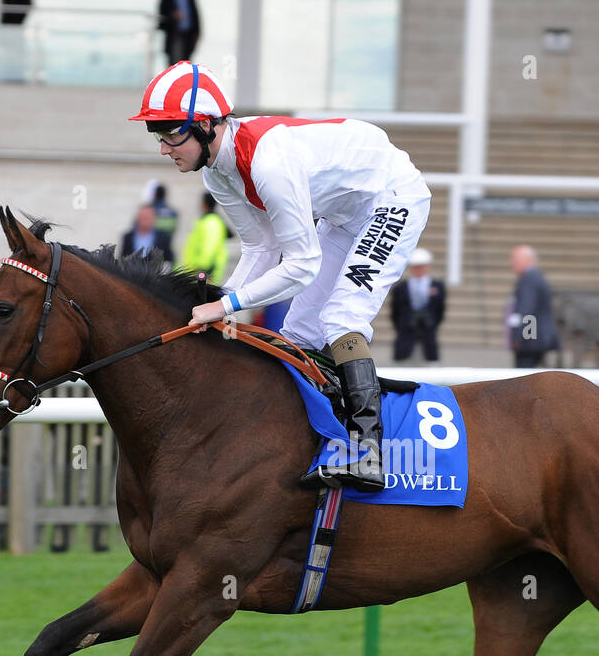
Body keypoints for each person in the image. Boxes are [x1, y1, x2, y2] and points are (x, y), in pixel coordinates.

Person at [130, 61, 432, 493]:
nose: (163, 147)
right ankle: (318, 440)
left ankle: (369, 454)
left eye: (171, 131)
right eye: (156, 133)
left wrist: (225, 306)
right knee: (298, 331)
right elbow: (261, 248)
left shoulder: (268, 164)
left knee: (341, 316)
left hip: (392, 198)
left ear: (206, 125)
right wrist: (222, 304)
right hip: (343, 215)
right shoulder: (218, 173)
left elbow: (301, 265)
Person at [506, 244, 558, 368]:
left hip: (530, 341)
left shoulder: (529, 279)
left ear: (527, 260)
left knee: (523, 379)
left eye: (515, 259)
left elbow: (526, 310)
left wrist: (520, 337)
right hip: (535, 338)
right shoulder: (535, 277)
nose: (512, 263)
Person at [390, 247, 444, 363]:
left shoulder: (437, 286)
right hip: (406, 329)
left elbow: (440, 309)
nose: (419, 269)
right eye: (416, 267)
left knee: (429, 360)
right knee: (403, 360)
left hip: (428, 328)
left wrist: (433, 322)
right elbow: (395, 311)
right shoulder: (400, 288)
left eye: (422, 266)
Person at [179, 191, 230, 283]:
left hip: (203, 274)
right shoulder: (207, 221)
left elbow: (209, 250)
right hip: (197, 273)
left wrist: (201, 270)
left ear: (204, 203)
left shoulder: (212, 222)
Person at [157, 0, 200, 66]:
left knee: (186, 62)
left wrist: (198, 32)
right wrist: (173, 16)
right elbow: (161, 18)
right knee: (174, 63)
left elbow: (195, 14)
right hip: (174, 35)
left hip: (189, 34)